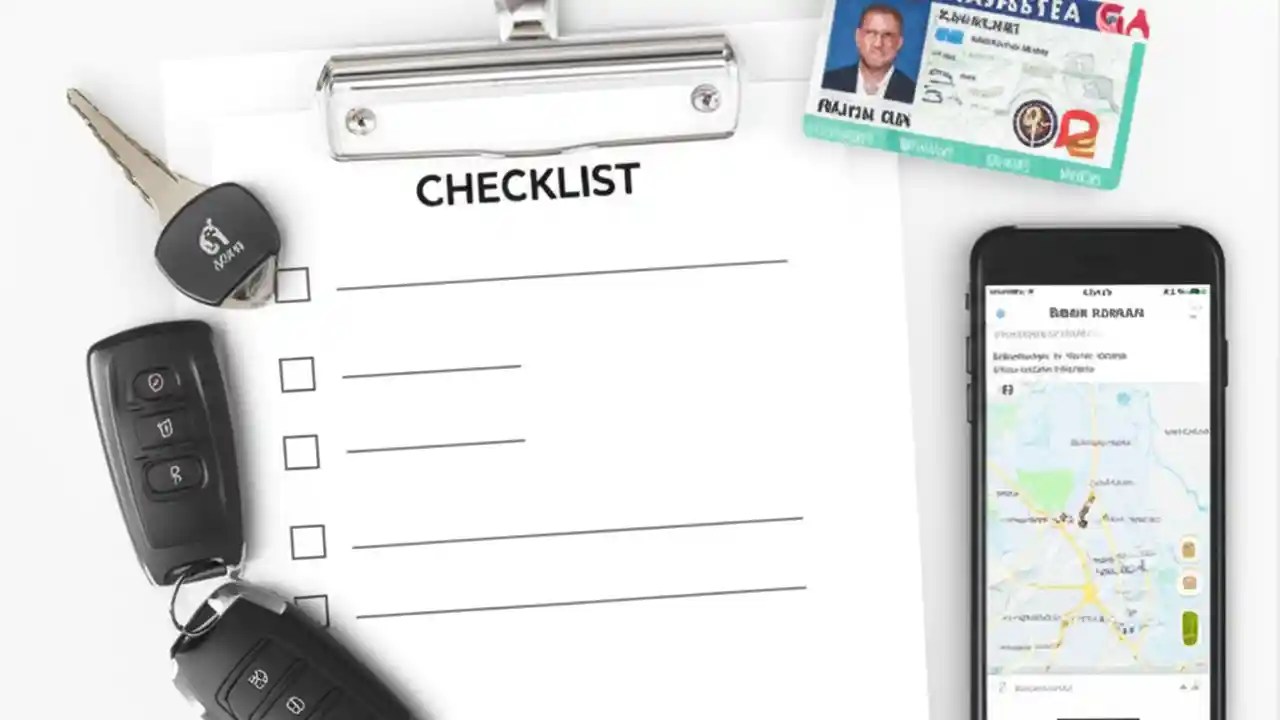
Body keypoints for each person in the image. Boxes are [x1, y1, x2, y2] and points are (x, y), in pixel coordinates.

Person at [822, 4, 917, 104]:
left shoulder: (913, 95)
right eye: (871, 33)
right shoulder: (827, 83)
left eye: (887, 35)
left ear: (899, 43)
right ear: (858, 37)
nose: (878, 44)